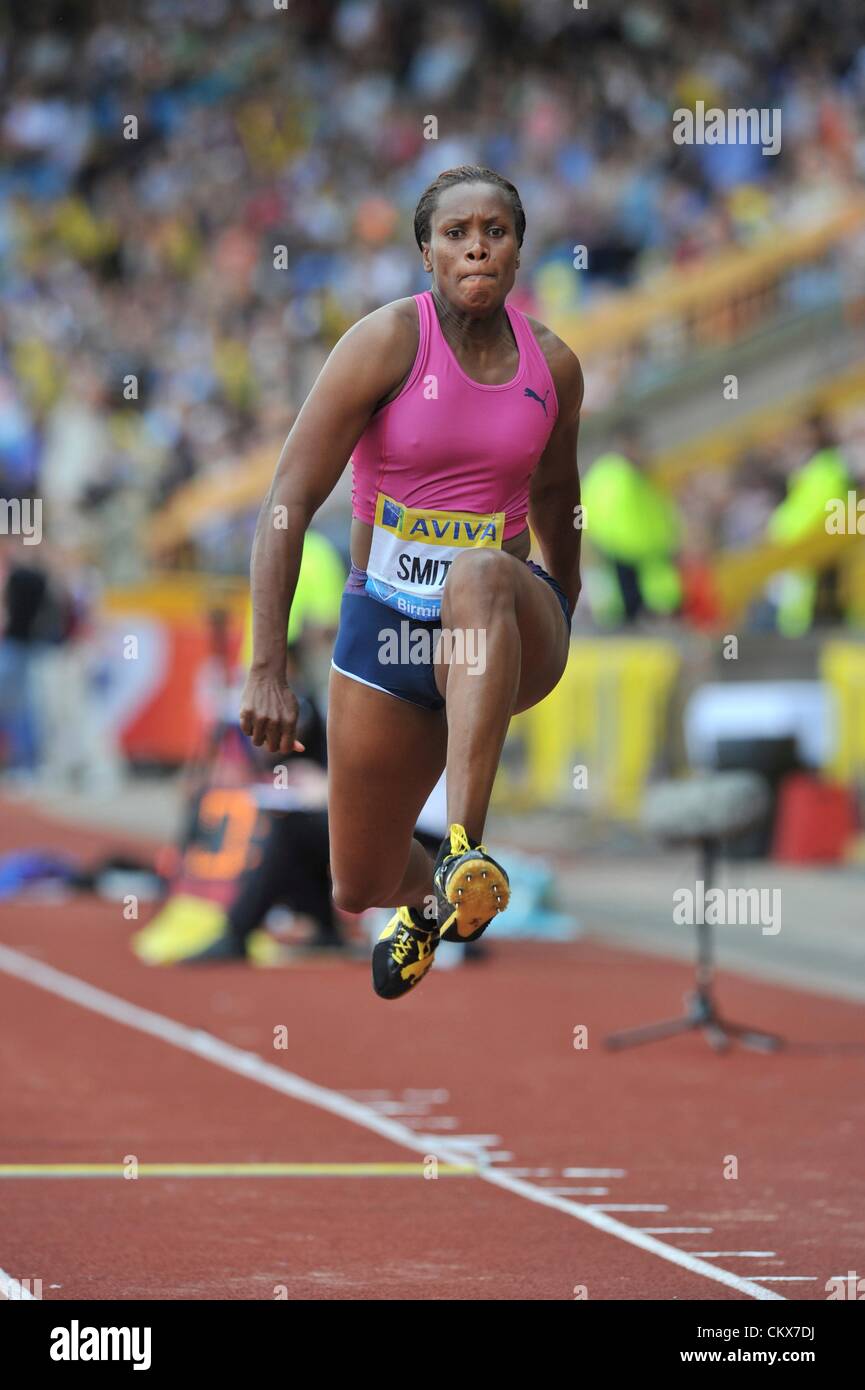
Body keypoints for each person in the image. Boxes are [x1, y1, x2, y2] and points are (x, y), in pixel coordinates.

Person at [240, 165, 583, 1000]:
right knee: (357, 882)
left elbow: (556, 496)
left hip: (500, 621)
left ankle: (466, 844)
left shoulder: (554, 366)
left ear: (516, 249)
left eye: (494, 232)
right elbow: (289, 497)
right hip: (388, 626)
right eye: (457, 233)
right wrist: (265, 665)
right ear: (424, 250)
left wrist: (560, 603)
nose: (476, 247)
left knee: (477, 575)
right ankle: (439, 902)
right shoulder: (386, 341)